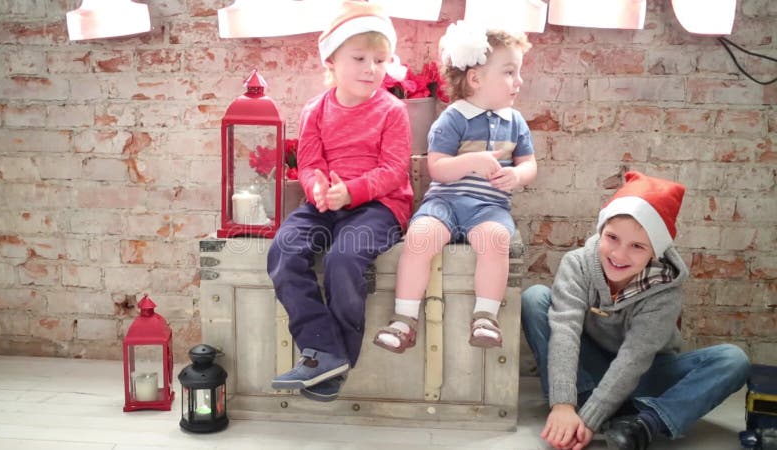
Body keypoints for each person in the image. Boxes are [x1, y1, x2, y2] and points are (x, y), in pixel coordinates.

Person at [521, 171, 750, 450]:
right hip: (590, 367)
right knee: (536, 298)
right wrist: (562, 405)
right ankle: (578, 401)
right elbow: (565, 332)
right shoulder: (578, 265)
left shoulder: (665, 290)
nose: (619, 254)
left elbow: (634, 358)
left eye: (637, 246)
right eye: (612, 237)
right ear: (600, 230)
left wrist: (591, 420)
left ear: (655, 252)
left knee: (733, 359)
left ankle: (646, 422)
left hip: (646, 371)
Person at [267, 0, 413, 402]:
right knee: (284, 249)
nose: (372, 68)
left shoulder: (393, 111)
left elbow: (394, 170)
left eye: (380, 59)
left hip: (379, 207)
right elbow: (310, 164)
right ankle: (321, 348)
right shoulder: (315, 110)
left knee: (344, 258)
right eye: (360, 58)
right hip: (325, 204)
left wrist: (352, 191)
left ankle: (336, 360)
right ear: (331, 59)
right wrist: (316, 188)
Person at [373, 21, 537, 353]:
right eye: (509, 72)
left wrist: (518, 177)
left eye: (518, 72)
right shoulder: (453, 118)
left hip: (489, 208)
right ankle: (405, 319)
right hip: (445, 204)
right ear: (475, 79)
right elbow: (437, 167)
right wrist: (471, 162)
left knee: (496, 240)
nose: (518, 81)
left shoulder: (514, 121)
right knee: (419, 238)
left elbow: (529, 163)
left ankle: (485, 316)